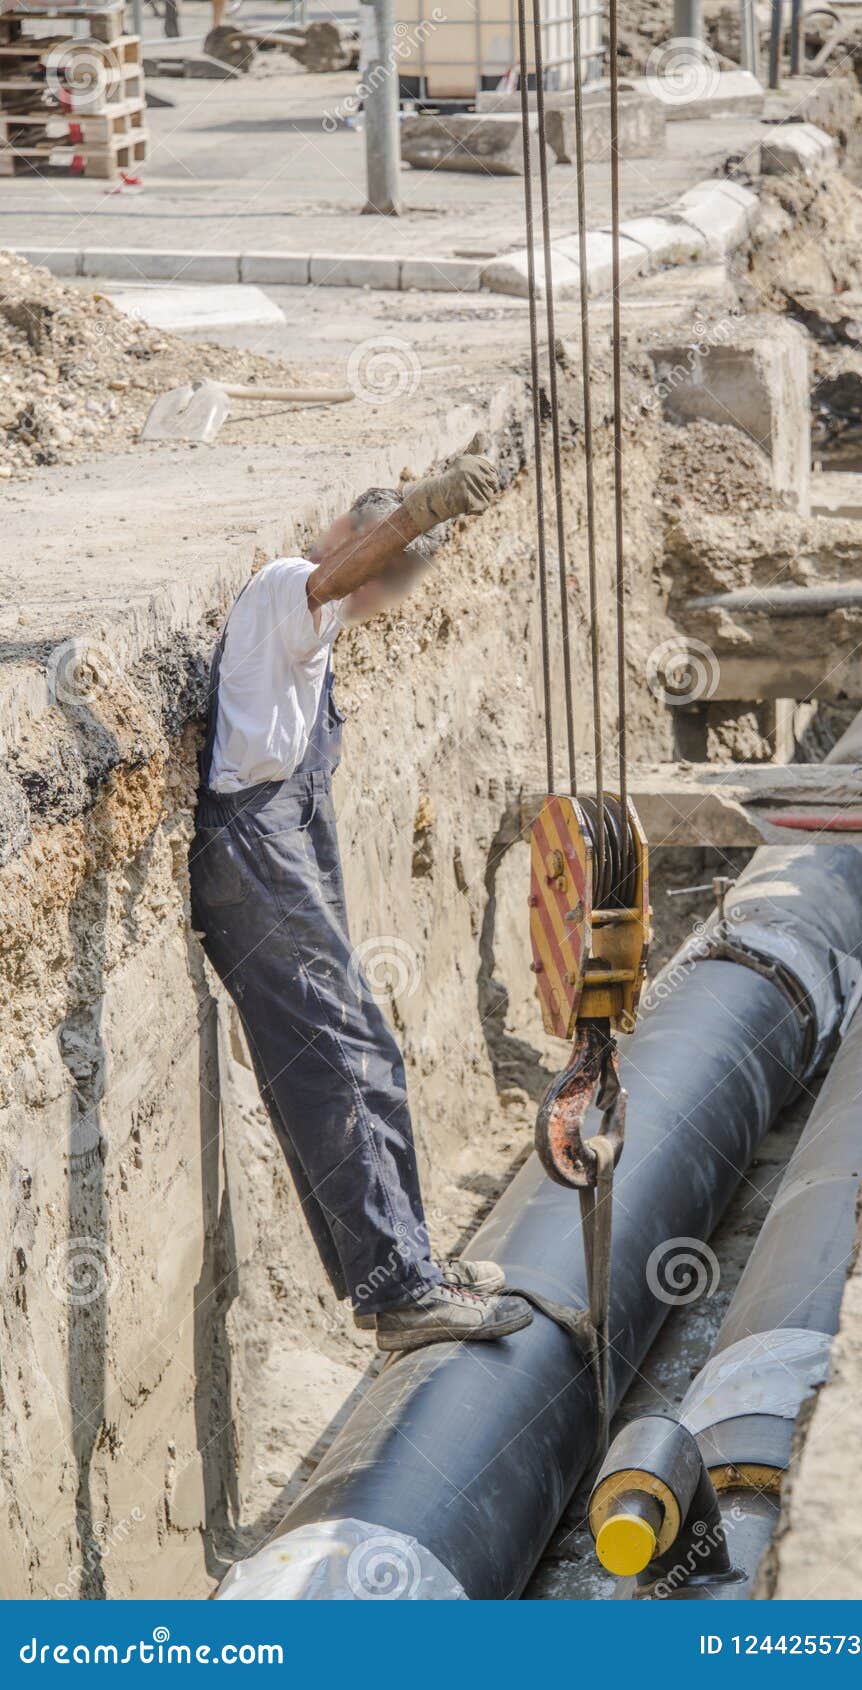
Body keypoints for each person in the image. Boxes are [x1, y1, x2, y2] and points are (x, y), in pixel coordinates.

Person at [189, 439, 533, 1353]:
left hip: (289, 827)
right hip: (251, 847)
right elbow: (334, 576)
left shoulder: (327, 613)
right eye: (380, 572)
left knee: (355, 1048)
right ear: (360, 540)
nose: (376, 601)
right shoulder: (288, 585)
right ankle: (402, 1292)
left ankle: (404, 1267)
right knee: (343, 1051)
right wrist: (420, 511)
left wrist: (429, 523)